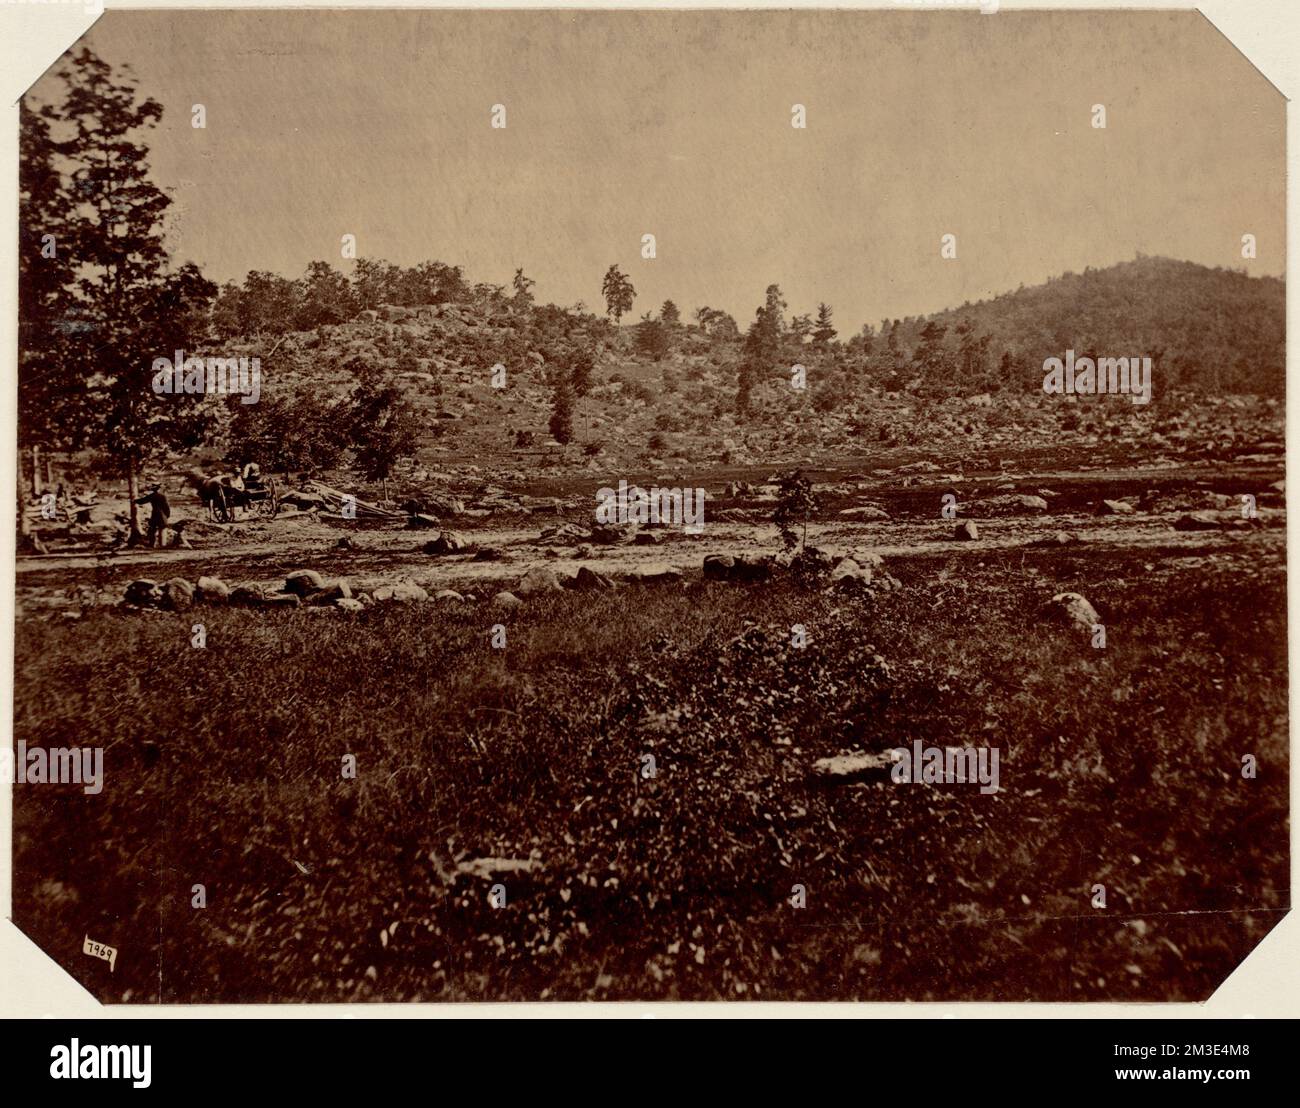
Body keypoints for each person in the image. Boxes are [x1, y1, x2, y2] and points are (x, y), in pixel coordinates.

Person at [134, 482, 171, 548]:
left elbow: (142, 501)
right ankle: (162, 545)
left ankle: (152, 544)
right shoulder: (162, 496)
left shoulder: (152, 495)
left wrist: (135, 500)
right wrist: (167, 515)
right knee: (162, 529)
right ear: (159, 488)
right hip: (162, 514)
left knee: (152, 529)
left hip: (155, 514)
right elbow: (167, 507)